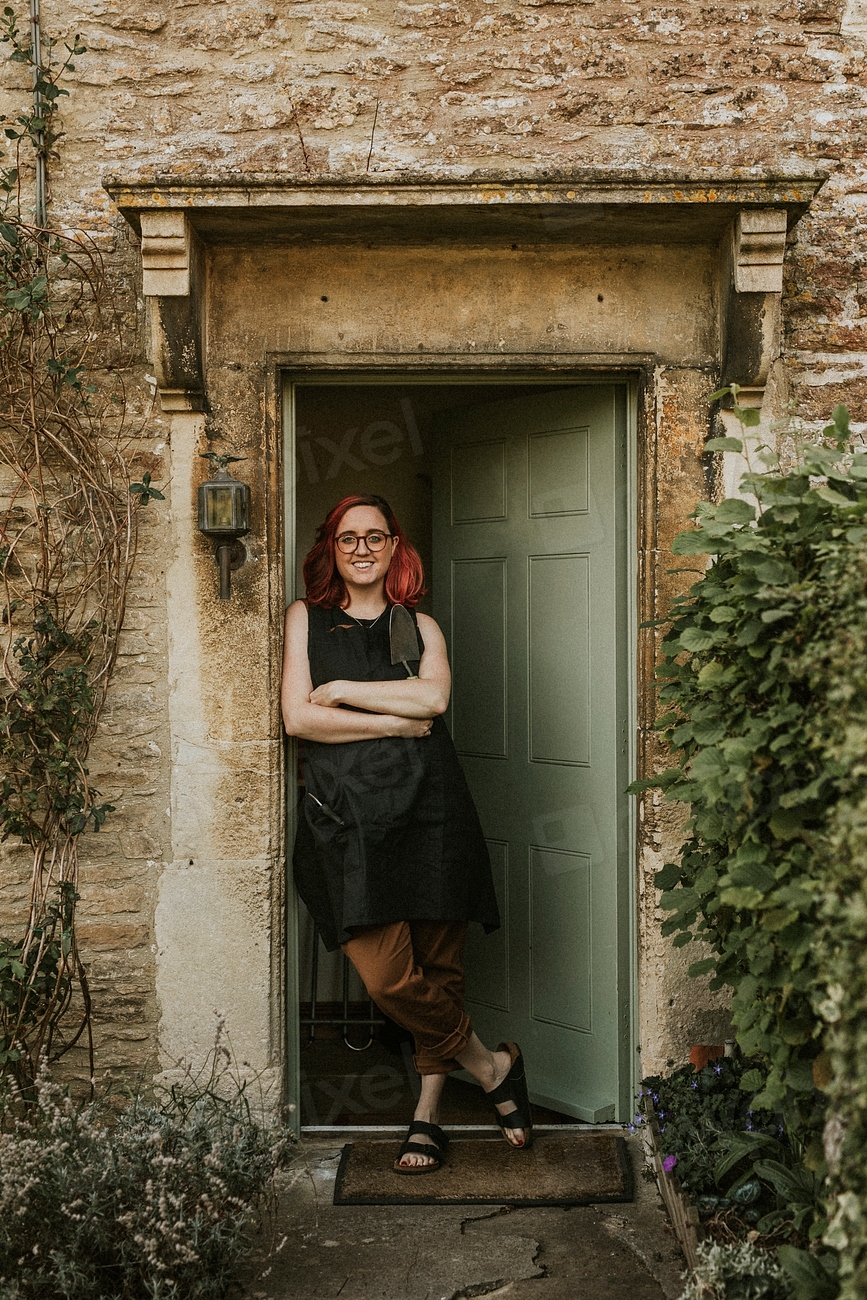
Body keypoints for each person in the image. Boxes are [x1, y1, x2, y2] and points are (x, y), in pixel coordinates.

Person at [282, 493, 532, 1173]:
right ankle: (490, 1065)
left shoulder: (419, 627)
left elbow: (434, 700)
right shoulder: (306, 620)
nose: (361, 548)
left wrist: (340, 693)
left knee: (438, 969)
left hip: (431, 812)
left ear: (394, 547)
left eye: (374, 537)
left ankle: (424, 1118)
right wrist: (388, 720)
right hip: (347, 824)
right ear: (330, 549)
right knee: (390, 979)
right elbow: (299, 721)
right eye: (347, 538)